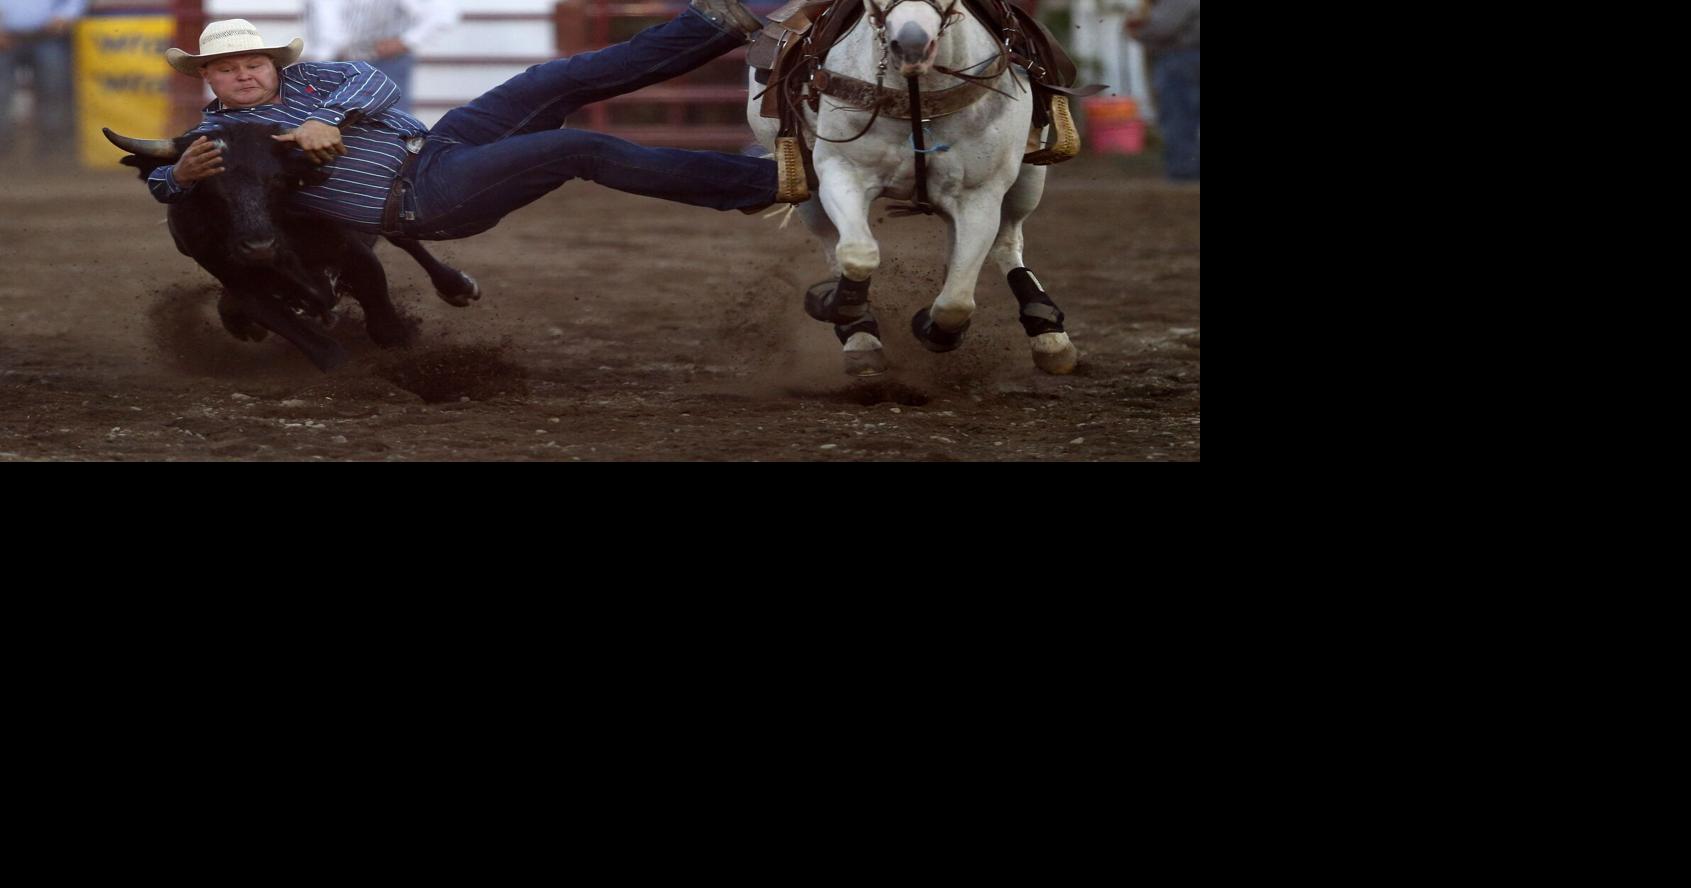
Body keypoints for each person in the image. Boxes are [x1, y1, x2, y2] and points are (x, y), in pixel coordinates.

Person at [144, 1, 800, 244]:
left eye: (251, 61)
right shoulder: (222, 136)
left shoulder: (313, 77)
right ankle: (765, 185)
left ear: (269, 60)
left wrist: (321, 119)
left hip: (437, 143)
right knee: (577, 148)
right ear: (207, 78)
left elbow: (372, 82)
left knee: (556, 78)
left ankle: (717, 22)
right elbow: (171, 185)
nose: (243, 74)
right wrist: (176, 174)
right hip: (422, 197)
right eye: (225, 69)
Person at [301, 0, 459, 115]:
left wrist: (406, 41)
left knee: (392, 122)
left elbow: (442, 12)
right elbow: (322, 24)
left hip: (385, 62)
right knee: (334, 121)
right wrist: (320, 63)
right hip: (338, 62)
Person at [0, 0, 88, 163]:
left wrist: (65, 17)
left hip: (49, 36)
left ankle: (53, 149)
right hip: (5, 36)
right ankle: (4, 150)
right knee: (2, 94)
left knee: (54, 91)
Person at [1128, 0, 1198, 181]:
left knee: (1178, 115)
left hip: (1180, 58)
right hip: (1184, 57)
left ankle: (1184, 170)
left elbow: (1162, 27)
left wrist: (1137, 30)